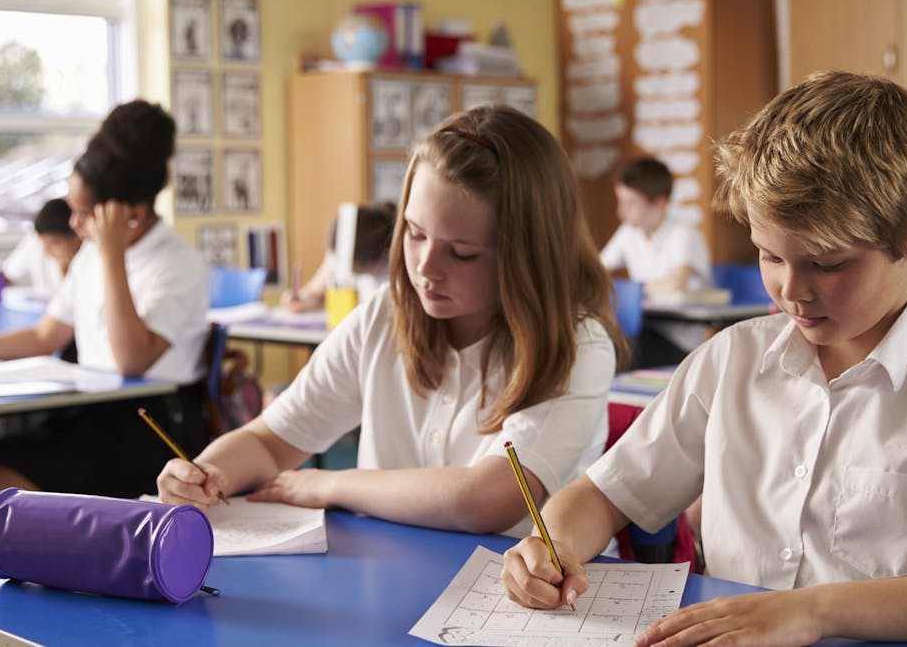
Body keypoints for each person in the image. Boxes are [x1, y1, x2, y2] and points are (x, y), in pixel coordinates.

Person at [501, 71, 907, 646]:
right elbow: (604, 495)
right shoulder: (730, 361)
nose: (792, 290)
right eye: (768, 255)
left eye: (827, 264)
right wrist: (551, 546)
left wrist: (816, 610)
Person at [157, 105, 627, 537]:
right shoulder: (385, 315)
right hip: (388, 576)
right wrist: (204, 473)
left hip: (516, 597)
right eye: (415, 234)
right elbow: (270, 441)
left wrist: (331, 486)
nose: (424, 267)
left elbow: (489, 500)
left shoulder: (577, 345)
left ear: (527, 255)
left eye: (461, 253)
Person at [0, 100, 211, 536]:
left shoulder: (175, 263)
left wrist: (112, 255)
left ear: (127, 213)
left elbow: (131, 360)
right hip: (77, 417)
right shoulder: (92, 256)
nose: (74, 224)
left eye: (84, 213)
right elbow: (45, 334)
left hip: (143, 430)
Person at [599, 155, 712, 366]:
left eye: (631, 203)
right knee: (601, 345)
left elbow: (678, 281)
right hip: (643, 326)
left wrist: (631, 290)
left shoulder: (683, 233)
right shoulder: (629, 232)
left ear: (660, 203)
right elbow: (596, 269)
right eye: (621, 201)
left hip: (679, 337)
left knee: (623, 356)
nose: (621, 212)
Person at [281, 202, 397, 313]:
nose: (339, 266)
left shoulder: (395, 269)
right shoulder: (341, 250)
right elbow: (314, 293)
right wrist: (303, 300)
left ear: (384, 254)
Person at [1, 197, 83, 296]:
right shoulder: (34, 241)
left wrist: (64, 272)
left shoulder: (87, 256)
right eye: (43, 243)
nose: (46, 251)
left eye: (54, 244)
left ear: (78, 237)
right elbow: (6, 274)